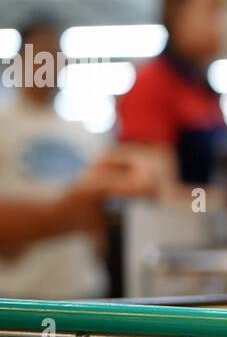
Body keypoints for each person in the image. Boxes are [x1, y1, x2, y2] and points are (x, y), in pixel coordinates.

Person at [0, 19, 154, 298]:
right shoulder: (4, 124)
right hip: (19, 294)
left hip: (82, 290)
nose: (48, 65)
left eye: (55, 55)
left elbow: (101, 212)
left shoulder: (84, 133)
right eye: (39, 55)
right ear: (19, 61)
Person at [117, 0, 227, 194]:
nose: (225, 20)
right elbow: (157, 196)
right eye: (214, 6)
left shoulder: (205, 90)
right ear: (175, 7)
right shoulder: (150, 86)